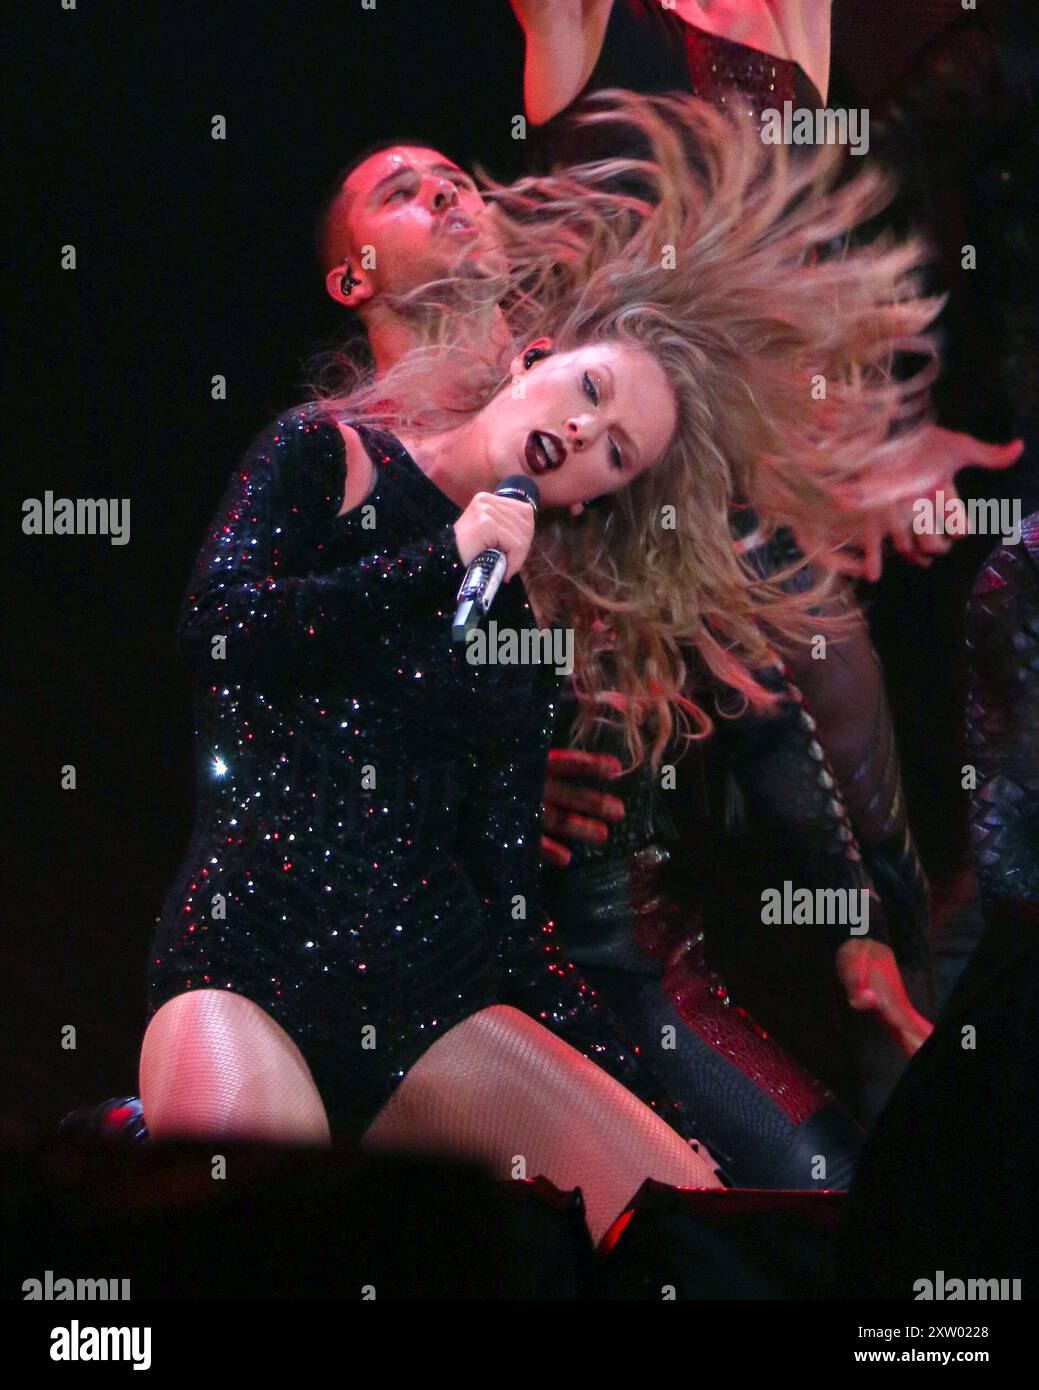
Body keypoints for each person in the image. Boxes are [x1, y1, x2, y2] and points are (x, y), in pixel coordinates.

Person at [137, 94, 968, 1236]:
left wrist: (855, 921)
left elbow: (769, 680)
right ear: (354, 279)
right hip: (287, 941)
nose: (447, 194)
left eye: (459, 181)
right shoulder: (328, 456)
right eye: (404, 190)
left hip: (551, 955)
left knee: (760, 1226)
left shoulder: (589, 476)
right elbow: (234, 655)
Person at [506, 0, 1024, 1129]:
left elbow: (809, 294)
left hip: (750, 520)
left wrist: (879, 437)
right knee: (618, 901)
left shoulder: (805, 24)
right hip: (598, 525)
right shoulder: (595, 22)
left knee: (874, 874)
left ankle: (898, 1185)